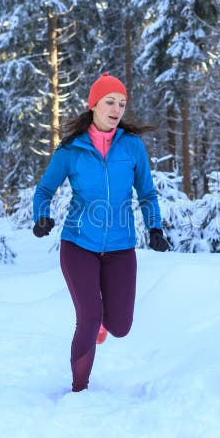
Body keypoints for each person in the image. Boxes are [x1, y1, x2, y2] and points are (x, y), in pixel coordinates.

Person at [32, 73, 170, 393]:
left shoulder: (132, 147)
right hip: (79, 243)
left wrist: (155, 227)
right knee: (89, 317)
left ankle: (104, 324)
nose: (116, 108)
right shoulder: (71, 150)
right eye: (110, 101)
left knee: (120, 326)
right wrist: (42, 217)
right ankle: (79, 390)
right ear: (93, 104)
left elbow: (147, 193)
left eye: (121, 103)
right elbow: (45, 190)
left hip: (121, 246)